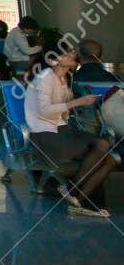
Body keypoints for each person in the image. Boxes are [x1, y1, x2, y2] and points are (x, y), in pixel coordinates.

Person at [24, 47, 115, 216]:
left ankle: (78, 199)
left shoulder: (65, 78)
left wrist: (79, 101)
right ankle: (76, 193)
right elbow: (44, 110)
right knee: (102, 146)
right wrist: (77, 102)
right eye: (67, 54)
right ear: (53, 60)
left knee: (109, 160)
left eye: (73, 52)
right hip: (47, 136)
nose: (74, 55)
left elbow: (65, 110)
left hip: (63, 132)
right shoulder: (45, 78)